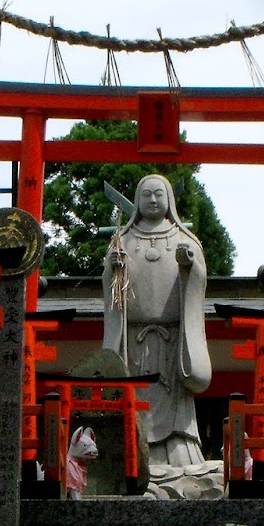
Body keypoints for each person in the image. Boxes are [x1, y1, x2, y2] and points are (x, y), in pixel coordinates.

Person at [102, 175, 212, 466]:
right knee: (136, 397)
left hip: (173, 340)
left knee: (175, 398)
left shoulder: (184, 239)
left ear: (169, 201)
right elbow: (111, 287)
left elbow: (199, 279)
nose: (152, 200)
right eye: (147, 194)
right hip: (134, 342)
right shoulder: (123, 239)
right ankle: (133, 455)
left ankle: (180, 450)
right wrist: (113, 268)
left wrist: (190, 266)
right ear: (137, 200)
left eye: (158, 194)